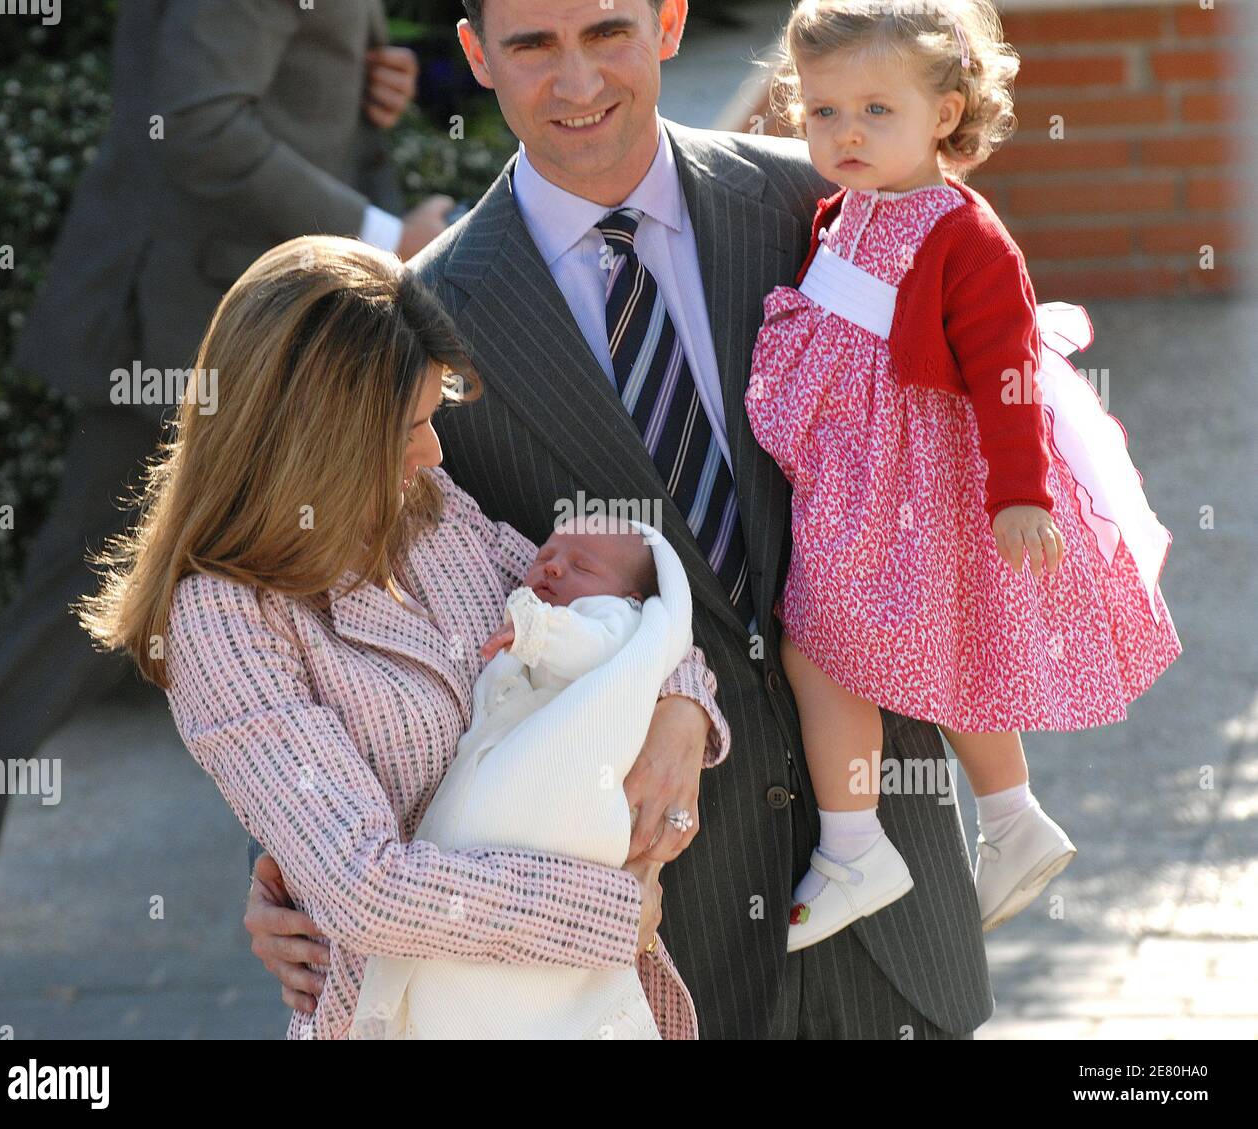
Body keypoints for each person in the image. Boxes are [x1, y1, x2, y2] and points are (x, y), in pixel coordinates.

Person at [247, 0, 998, 1040]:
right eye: (531, 46)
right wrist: (287, 862)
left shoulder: (828, 203)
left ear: (670, 22)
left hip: (891, 888)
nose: (579, 81)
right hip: (648, 938)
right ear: (474, 55)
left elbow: (975, 447)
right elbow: (348, 611)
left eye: (607, 32)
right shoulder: (422, 321)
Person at [74, 236, 729, 1040]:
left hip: (587, 1010)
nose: (434, 451)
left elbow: (609, 611)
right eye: (408, 426)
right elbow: (364, 886)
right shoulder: (223, 622)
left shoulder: (429, 508)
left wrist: (680, 712)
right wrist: (607, 911)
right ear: (314, 438)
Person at [0, 0, 452, 933]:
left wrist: (355, 84)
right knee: (37, 664)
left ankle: (327, 944)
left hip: (228, 335)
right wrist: (383, 235)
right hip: (192, 337)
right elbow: (195, 120)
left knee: (283, 646)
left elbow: (242, 75)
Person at [743, 0, 1182, 951]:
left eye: (874, 110)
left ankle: (862, 844)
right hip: (862, 483)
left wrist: (1019, 493)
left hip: (918, 490)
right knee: (927, 644)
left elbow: (1009, 372)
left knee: (820, 643)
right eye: (821, 112)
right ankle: (1013, 819)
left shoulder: (963, 234)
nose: (844, 132)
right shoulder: (844, 208)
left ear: (944, 113)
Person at [352, 520, 702, 1039]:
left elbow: (599, 643)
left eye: (582, 566)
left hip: (557, 813)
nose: (553, 565)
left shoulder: (611, 619)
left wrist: (537, 632)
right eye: (547, 554)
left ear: (632, 597)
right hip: (488, 889)